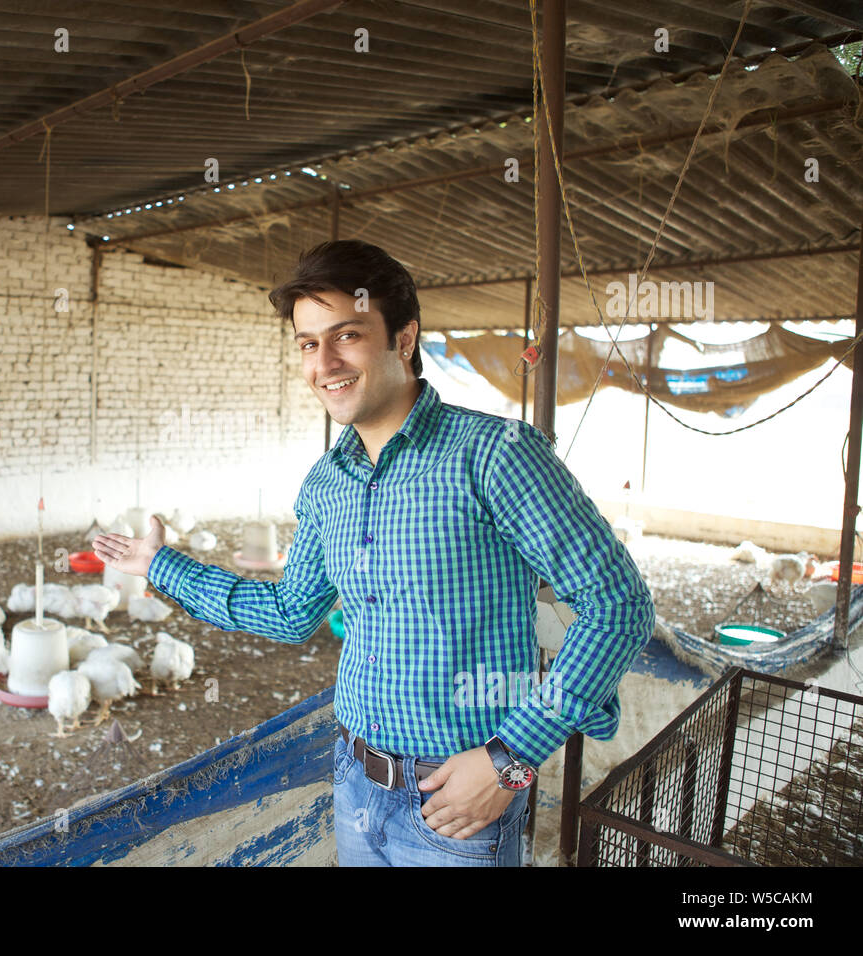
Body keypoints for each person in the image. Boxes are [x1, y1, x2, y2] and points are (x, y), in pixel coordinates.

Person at [91, 239, 655, 866]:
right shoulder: (326, 482)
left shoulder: (495, 454)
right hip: (357, 780)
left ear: (404, 339)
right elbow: (289, 612)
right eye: (308, 343)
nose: (324, 362)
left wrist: (510, 761)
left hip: (457, 801)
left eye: (347, 335)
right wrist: (160, 565)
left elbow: (618, 604)